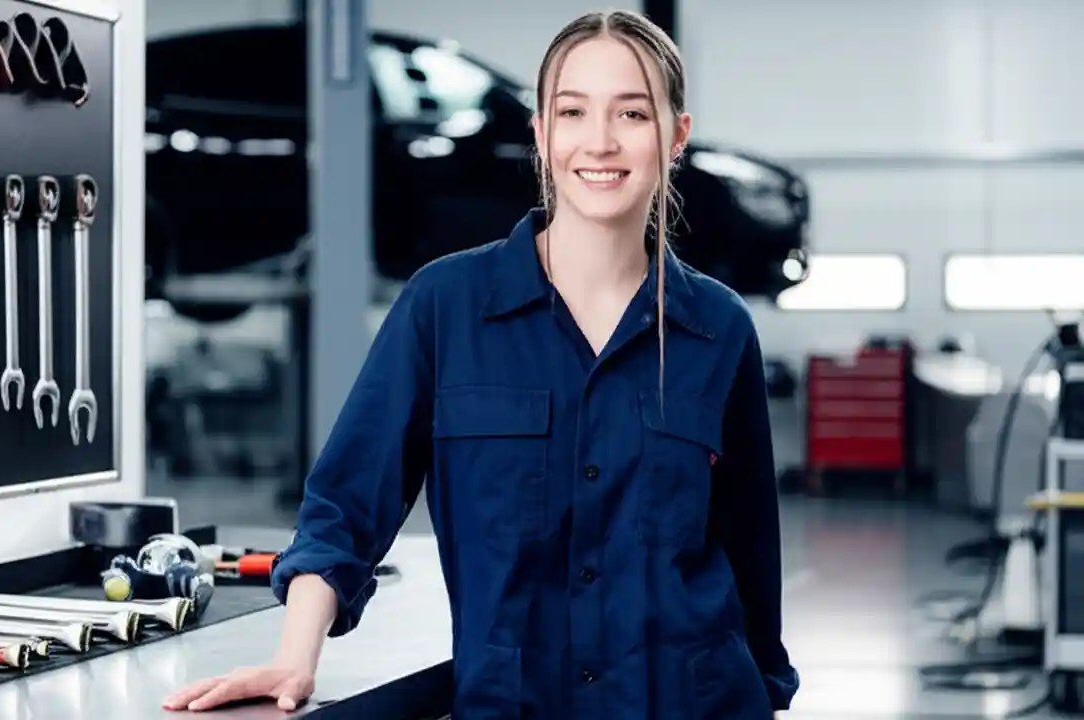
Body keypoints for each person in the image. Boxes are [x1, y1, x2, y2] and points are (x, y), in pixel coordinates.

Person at [163, 8, 799, 719]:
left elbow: (751, 551)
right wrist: (293, 657)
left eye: (632, 113)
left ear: (676, 136)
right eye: (572, 111)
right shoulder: (446, 306)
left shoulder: (718, 329)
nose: (600, 141)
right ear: (539, 132)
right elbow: (345, 507)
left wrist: (768, 693)